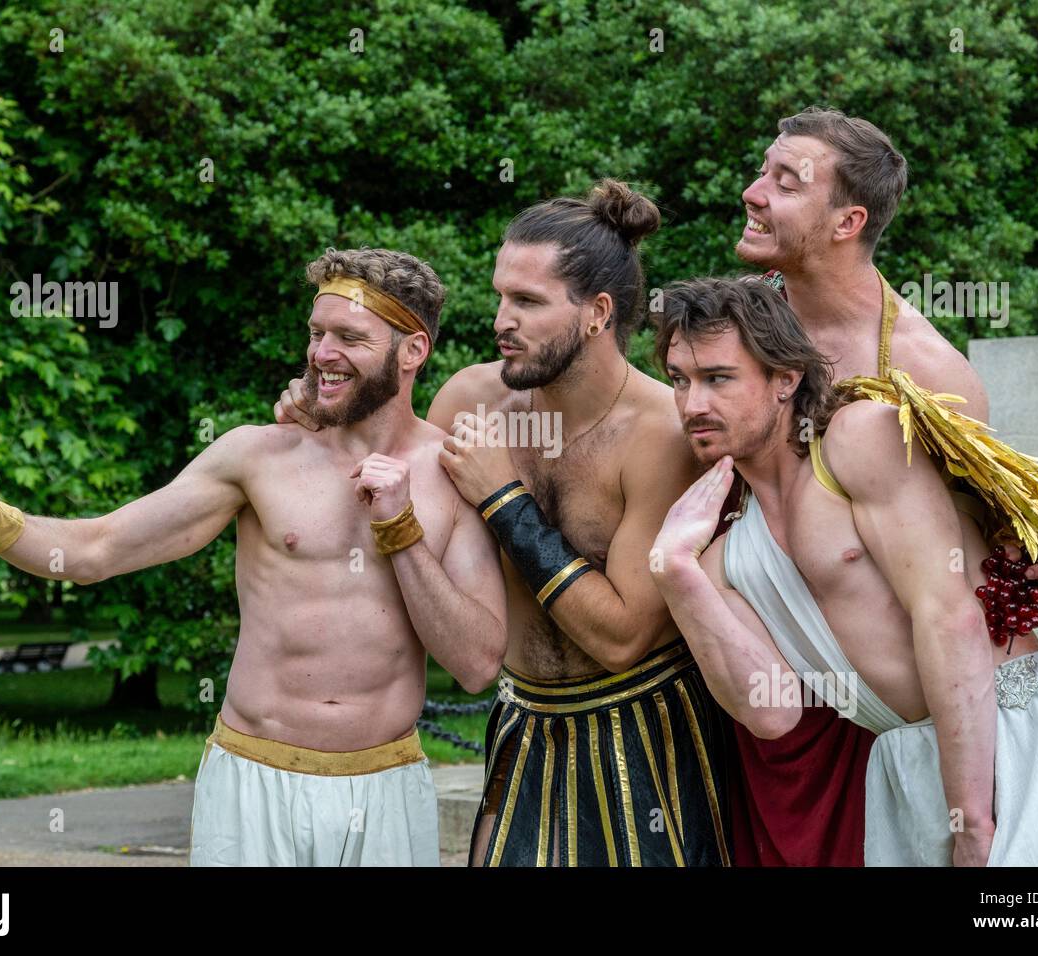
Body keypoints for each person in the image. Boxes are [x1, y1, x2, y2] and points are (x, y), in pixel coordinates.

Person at [0, 247, 508, 867]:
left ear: (412, 351)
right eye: (316, 333)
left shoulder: (456, 473)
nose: (320, 355)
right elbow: (97, 548)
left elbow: (477, 665)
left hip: (387, 787)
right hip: (252, 783)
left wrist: (399, 526)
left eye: (350, 337)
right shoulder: (256, 457)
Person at [276, 181, 733, 866]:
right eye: (499, 296)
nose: (500, 320)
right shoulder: (469, 397)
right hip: (522, 724)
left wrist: (504, 500)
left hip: (645, 732)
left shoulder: (661, 434)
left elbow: (620, 636)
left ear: (596, 313)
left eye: (526, 301)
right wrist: (325, 424)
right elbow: (388, 497)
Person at [650, 275, 1038, 865]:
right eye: (680, 380)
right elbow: (773, 710)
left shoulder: (858, 438)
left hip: (1010, 738)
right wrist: (674, 570)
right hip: (902, 767)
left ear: (785, 378)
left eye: (718, 378)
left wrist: (976, 822)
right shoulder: (722, 556)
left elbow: (949, 616)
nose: (692, 404)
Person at [721, 106, 1038, 865]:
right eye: (762, 170)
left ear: (848, 222)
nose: (752, 191)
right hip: (802, 722)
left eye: (785, 181)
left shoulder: (928, 375)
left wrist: (1032, 573)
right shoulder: (742, 341)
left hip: (942, 732)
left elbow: (973, 584)